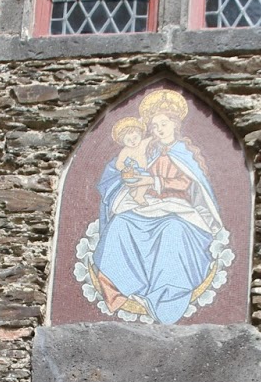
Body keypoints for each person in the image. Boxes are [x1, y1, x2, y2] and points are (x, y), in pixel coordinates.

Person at [88, 89, 226, 323]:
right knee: (120, 222)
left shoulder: (185, 153)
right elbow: (124, 168)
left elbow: (188, 184)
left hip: (179, 209)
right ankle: (122, 287)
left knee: (173, 229)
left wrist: (153, 181)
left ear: (175, 125)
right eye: (154, 126)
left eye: (164, 124)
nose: (159, 129)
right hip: (149, 206)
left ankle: (166, 294)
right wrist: (129, 176)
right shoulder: (148, 151)